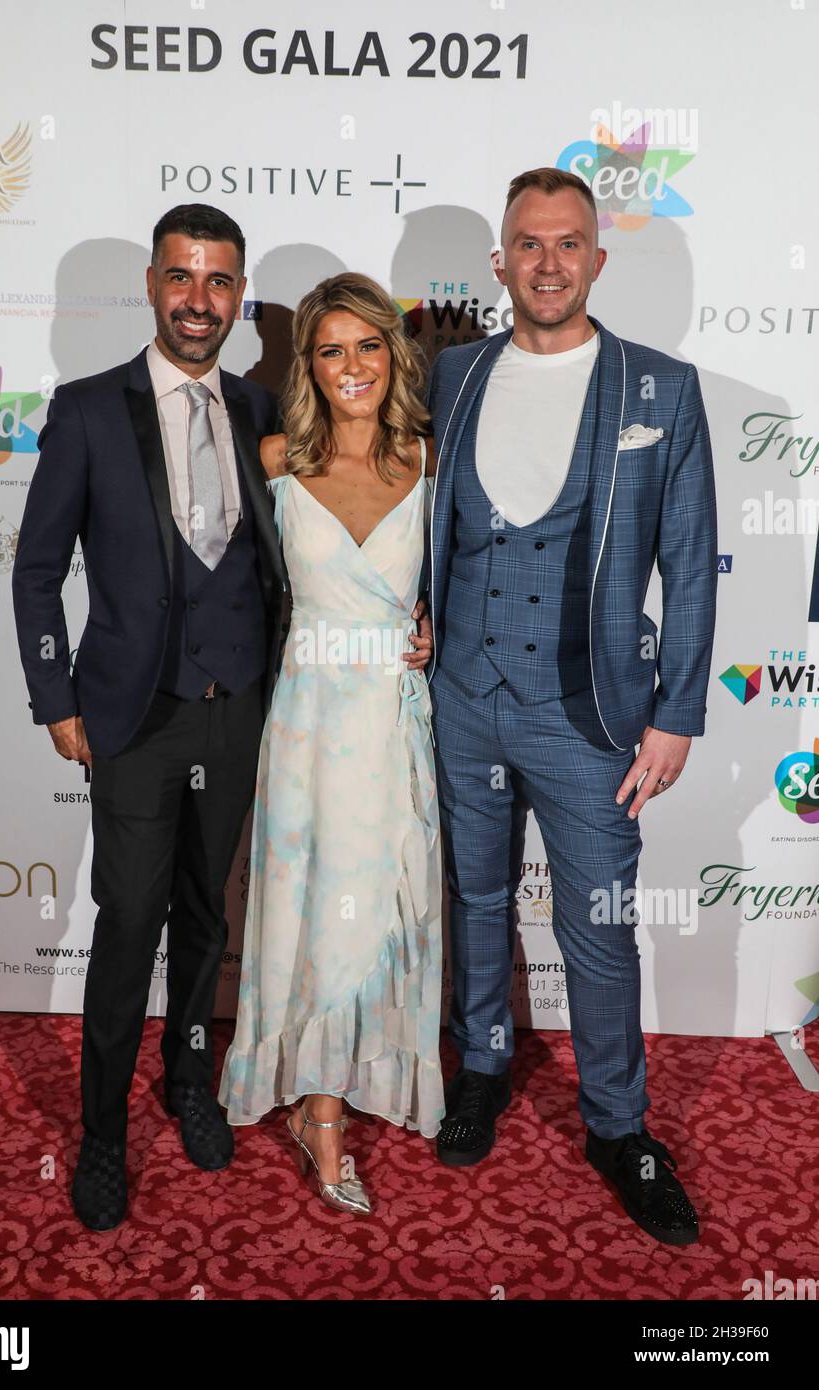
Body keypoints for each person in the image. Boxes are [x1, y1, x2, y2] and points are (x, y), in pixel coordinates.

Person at [425, 167, 717, 1246]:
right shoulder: (451, 374)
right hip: (459, 693)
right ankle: (484, 1066)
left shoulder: (659, 389)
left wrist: (675, 710)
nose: (545, 262)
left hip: (587, 711)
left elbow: (687, 566)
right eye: (526, 243)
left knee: (595, 926)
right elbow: (427, 526)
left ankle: (615, 1123)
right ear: (499, 261)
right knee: (474, 897)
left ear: (596, 258)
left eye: (566, 243)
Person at [12, 204, 288, 1231]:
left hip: (236, 709)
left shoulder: (263, 412)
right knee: (130, 925)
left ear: (238, 293)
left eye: (219, 282)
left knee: (208, 920)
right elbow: (38, 571)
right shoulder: (87, 409)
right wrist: (55, 699)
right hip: (130, 717)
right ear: (150, 282)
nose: (198, 301)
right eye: (183, 277)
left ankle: (188, 1084)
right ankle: (101, 1136)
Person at [218, 272, 444, 1214]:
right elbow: (229, 588)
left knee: (382, 911)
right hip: (309, 724)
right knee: (311, 916)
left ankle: (367, 1079)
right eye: (329, 349)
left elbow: (472, 573)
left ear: (393, 353)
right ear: (307, 365)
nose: (351, 366)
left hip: (390, 720)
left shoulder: (430, 462)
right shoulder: (272, 458)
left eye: (367, 345)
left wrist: (434, 630)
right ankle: (319, 1112)